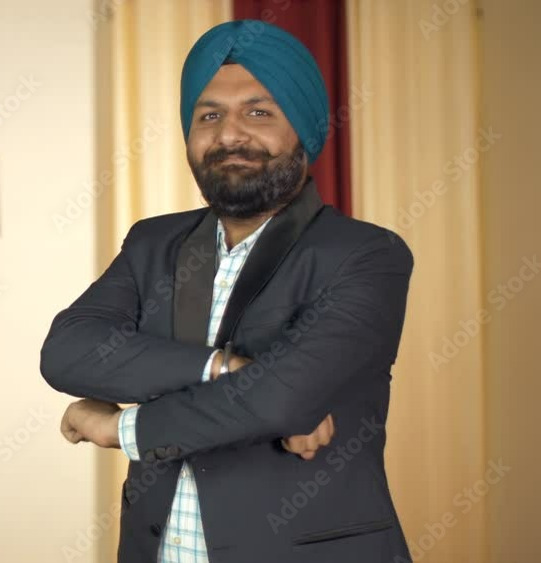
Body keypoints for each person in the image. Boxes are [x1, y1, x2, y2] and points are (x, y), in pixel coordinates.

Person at [40, 19, 414, 563]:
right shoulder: (154, 243)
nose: (230, 134)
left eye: (258, 113)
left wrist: (120, 426)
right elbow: (67, 352)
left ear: (303, 131)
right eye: (209, 114)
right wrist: (226, 368)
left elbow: (282, 398)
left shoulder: (366, 255)